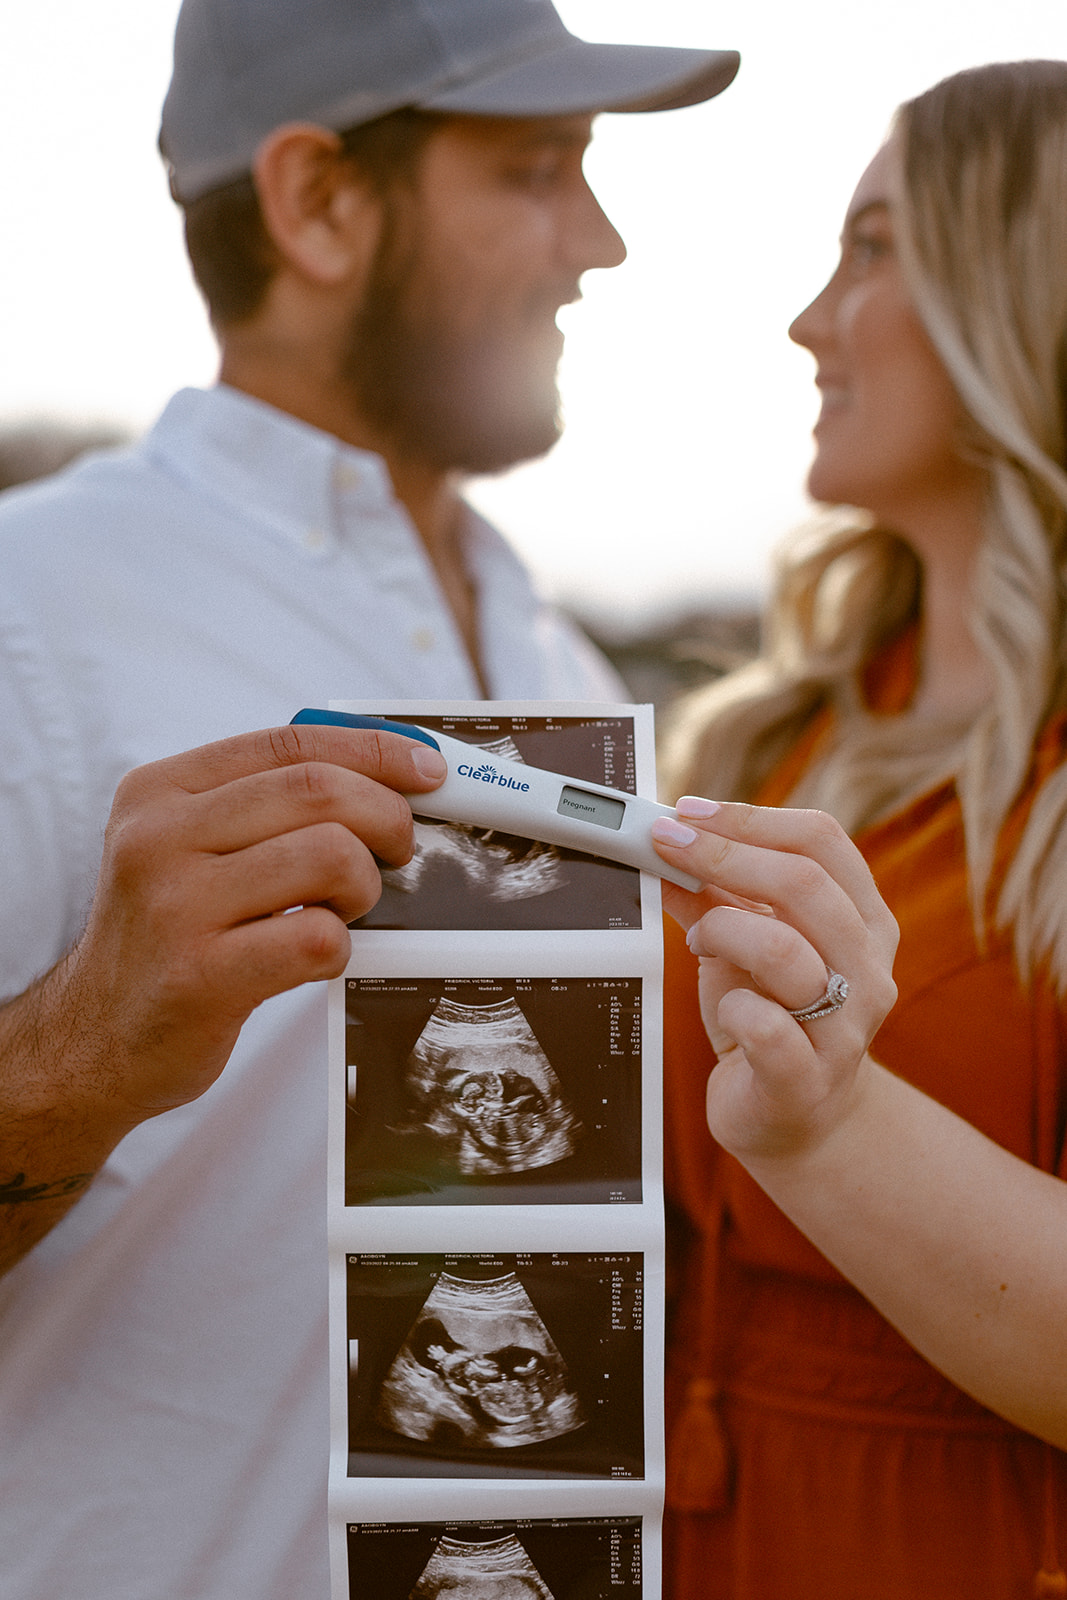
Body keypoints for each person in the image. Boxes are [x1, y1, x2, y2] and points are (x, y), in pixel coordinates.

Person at [0, 4, 739, 1596]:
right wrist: (79, 1054)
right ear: (318, 201)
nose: (598, 241)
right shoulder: (24, 614)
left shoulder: (560, 653)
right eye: (537, 171)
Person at [648, 58, 1067, 1598]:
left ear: (1026, 289)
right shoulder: (754, 745)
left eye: (873, 250)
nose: (809, 321)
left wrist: (831, 1124)